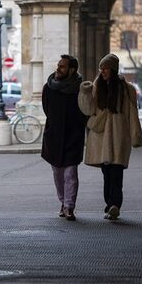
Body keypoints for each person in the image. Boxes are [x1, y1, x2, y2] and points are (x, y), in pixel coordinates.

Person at [79, 53, 142, 220]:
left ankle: (115, 204)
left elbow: (132, 114)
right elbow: (88, 110)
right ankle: (109, 204)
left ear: (113, 69)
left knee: (116, 172)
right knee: (106, 173)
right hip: (100, 137)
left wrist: (135, 135)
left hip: (118, 136)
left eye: (106, 68)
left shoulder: (126, 89)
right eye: (101, 68)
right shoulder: (96, 86)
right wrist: (85, 93)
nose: (103, 72)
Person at [41, 54, 87, 221]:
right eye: (58, 65)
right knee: (57, 173)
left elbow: (85, 111)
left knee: (70, 173)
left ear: (72, 70)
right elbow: (47, 109)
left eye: (62, 66)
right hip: (54, 135)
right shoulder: (49, 87)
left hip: (73, 135)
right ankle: (62, 201)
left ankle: (69, 206)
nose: (58, 69)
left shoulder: (80, 88)